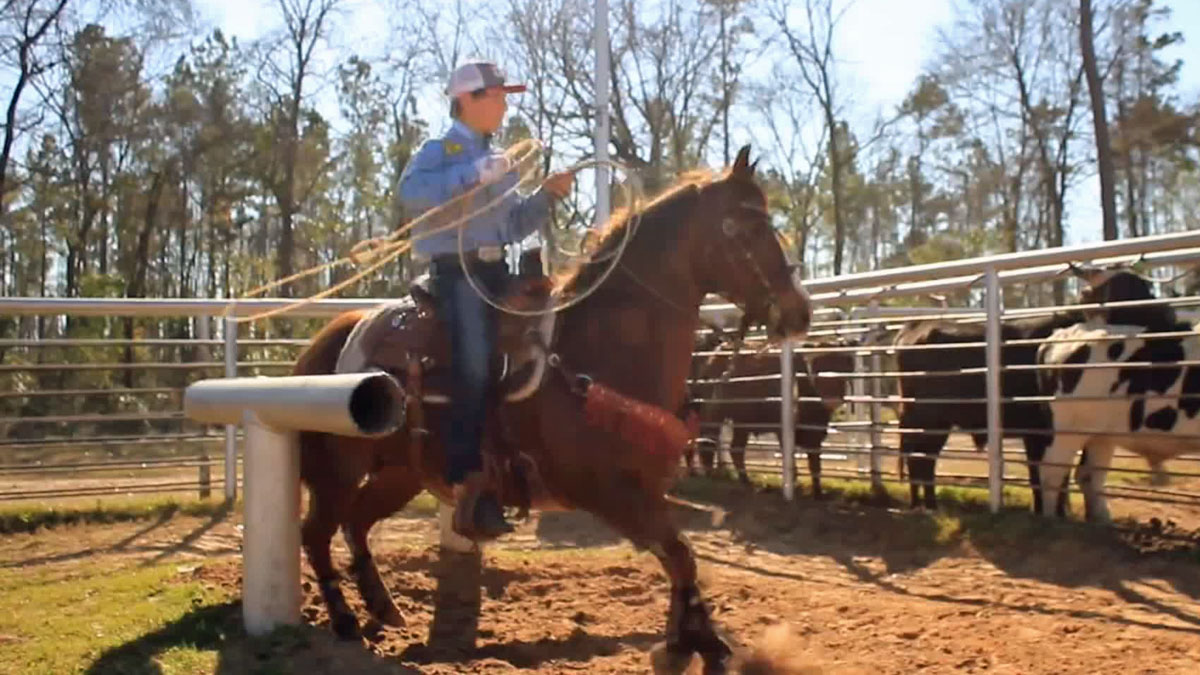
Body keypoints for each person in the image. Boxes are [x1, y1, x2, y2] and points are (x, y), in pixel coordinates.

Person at [397, 60, 574, 541]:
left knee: (548, 341)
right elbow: (410, 193)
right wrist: (472, 173)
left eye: (503, 96)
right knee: (474, 363)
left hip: (498, 271)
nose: (504, 104)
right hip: (457, 273)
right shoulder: (441, 150)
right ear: (468, 100)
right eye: (496, 96)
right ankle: (464, 474)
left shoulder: (501, 160)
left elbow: (514, 225)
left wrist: (545, 197)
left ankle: (526, 459)